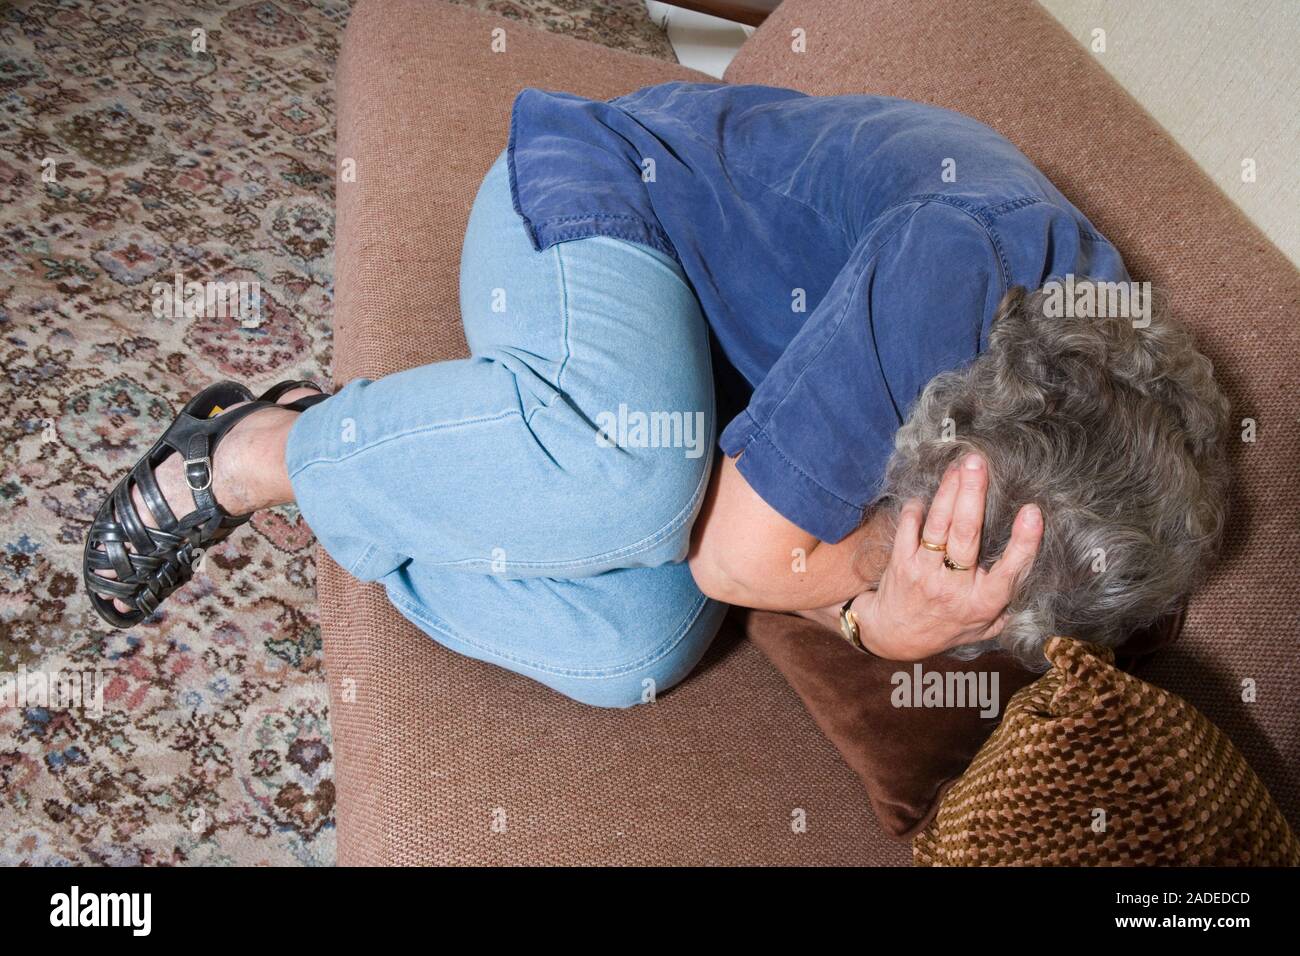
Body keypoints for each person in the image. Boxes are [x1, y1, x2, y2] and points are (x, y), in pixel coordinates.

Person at [84, 83, 1229, 707]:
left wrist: (854, 576)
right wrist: (882, 623)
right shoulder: (959, 266)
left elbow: (729, 568)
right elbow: (734, 561)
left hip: (715, 408)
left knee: (630, 651)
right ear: (962, 442)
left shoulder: (1116, 421)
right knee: (626, 481)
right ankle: (257, 446)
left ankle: (423, 471)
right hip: (613, 207)